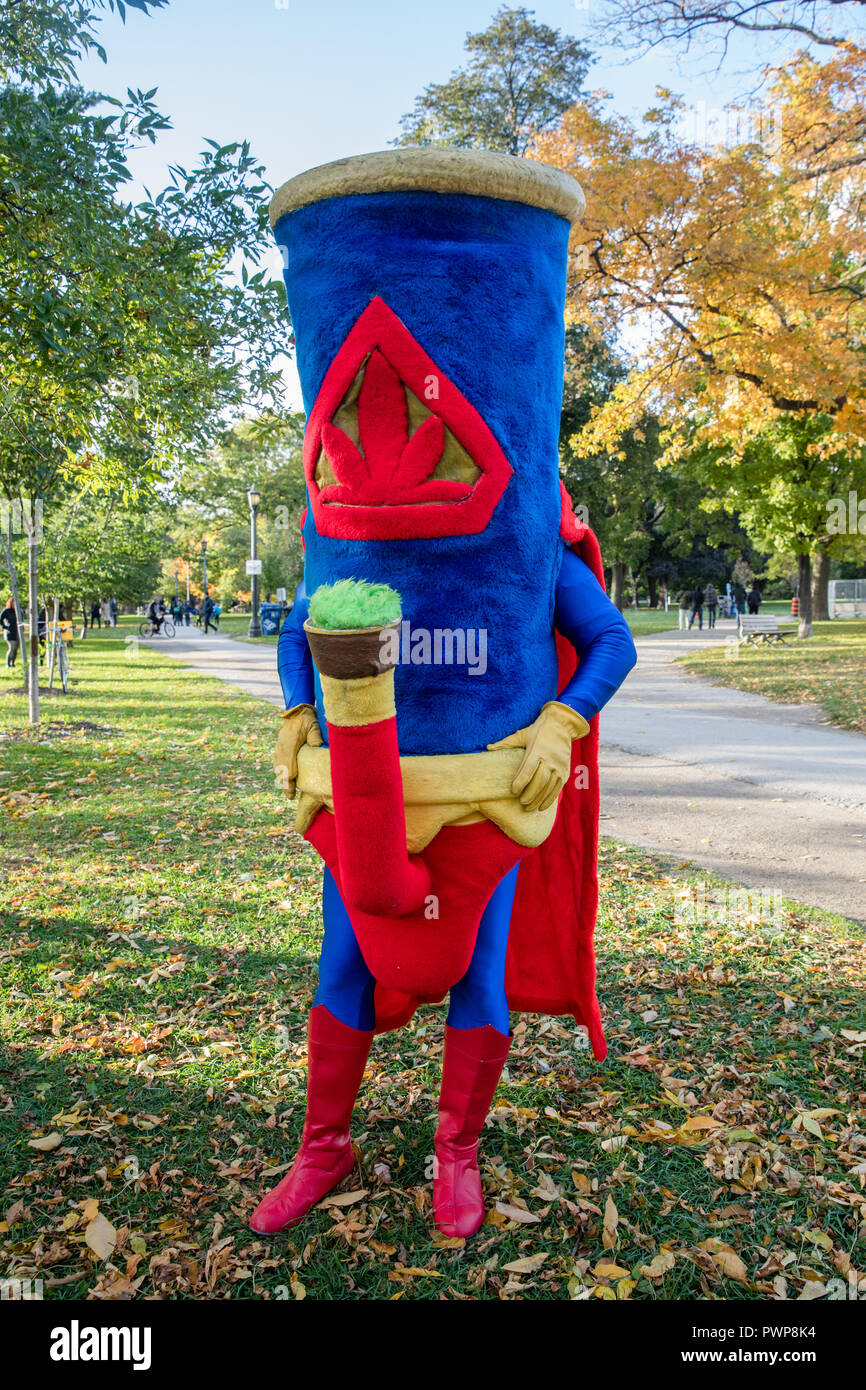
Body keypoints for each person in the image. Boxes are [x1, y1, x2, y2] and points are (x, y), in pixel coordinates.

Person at [250, 147, 638, 1242]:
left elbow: (609, 644)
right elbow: (303, 627)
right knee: (342, 961)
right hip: (360, 800)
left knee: (476, 973)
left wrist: (561, 718)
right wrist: (292, 709)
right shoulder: (339, 540)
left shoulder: (534, 557)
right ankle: (323, 1142)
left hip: (482, 802)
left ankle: (453, 1152)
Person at [1, 597, 19, 668]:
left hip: (17, 632)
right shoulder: (6, 610)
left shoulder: (18, 611)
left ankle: (13, 663)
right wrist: (5, 627)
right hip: (9, 632)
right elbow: (0, 619)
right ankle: (7, 663)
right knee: (12, 647)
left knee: (15, 649)